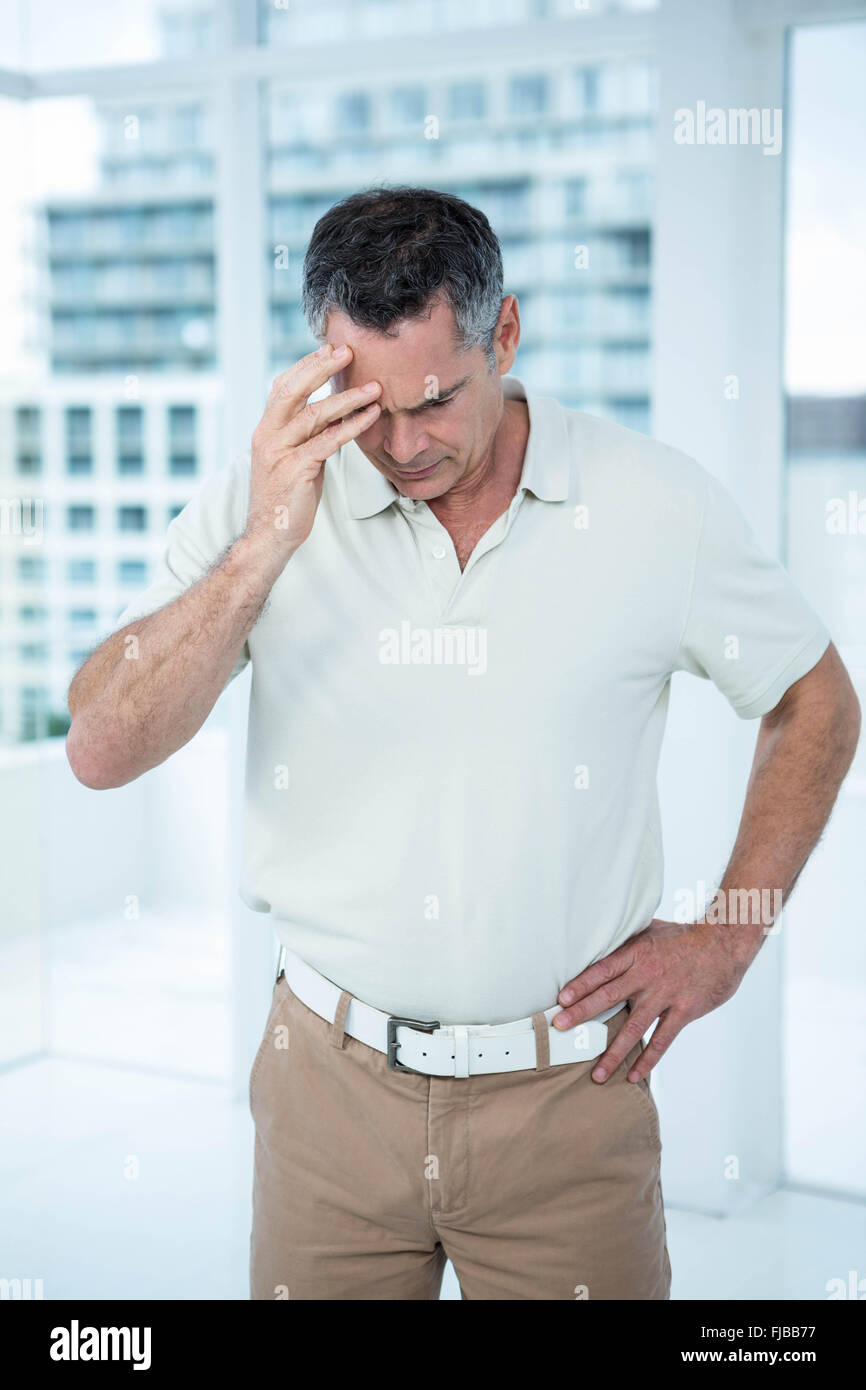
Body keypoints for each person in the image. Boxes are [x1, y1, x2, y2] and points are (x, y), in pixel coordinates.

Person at [66, 186, 860, 1301]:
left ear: (505, 334)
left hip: (566, 1108)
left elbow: (814, 698)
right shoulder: (275, 497)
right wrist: (264, 545)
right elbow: (100, 746)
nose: (398, 446)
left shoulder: (652, 504)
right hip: (324, 1096)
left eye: (433, 401)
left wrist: (725, 939)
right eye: (365, 404)